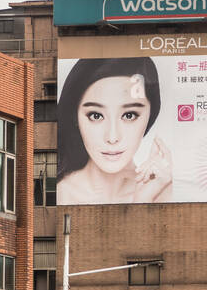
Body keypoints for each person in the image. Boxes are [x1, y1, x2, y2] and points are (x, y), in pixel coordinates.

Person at [56, 56, 172, 205]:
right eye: (96, 116)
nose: (112, 137)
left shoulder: (163, 192)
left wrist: (143, 201)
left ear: (150, 115)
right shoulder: (60, 194)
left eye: (129, 115)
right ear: (75, 117)